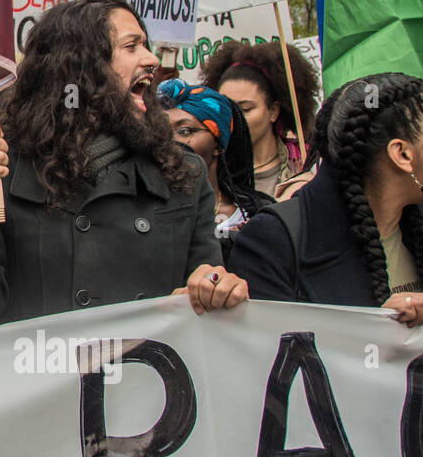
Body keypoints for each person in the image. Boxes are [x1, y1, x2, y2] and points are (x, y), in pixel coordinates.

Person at [0, 0, 249, 330]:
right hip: (44, 379)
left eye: (146, 45)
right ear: (81, 68)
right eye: (132, 47)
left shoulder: (183, 172)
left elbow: (208, 291)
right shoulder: (5, 171)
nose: (151, 59)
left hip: (145, 377)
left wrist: (217, 286)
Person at [229, 73, 423, 327]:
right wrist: (373, 332)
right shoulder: (275, 240)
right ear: (402, 154)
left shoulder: (414, 220)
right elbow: (268, 354)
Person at [158, 78, 273, 261]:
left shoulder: (258, 214)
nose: (170, 141)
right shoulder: (145, 211)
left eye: (186, 131)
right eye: (161, 130)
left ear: (219, 145)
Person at [202, 40, 318, 198]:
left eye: (245, 109)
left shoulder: (310, 165)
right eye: (225, 108)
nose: (234, 117)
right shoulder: (207, 172)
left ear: (273, 111)